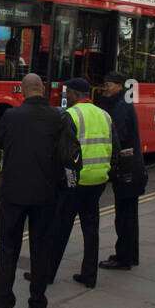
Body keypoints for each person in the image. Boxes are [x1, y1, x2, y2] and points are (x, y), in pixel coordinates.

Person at [0, 74, 78, 308]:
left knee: (8, 249)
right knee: (41, 249)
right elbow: (69, 153)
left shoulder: (11, 116)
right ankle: (37, 307)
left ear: (23, 91)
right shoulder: (59, 117)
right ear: (43, 89)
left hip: (14, 194)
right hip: (46, 195)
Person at [48, 79, 117, 288]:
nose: (66, 96)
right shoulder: (105, 115)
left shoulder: (71, 115)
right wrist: (106, 174)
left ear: (75, 94)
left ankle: (46, 274)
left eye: (68, 93)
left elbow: (64, 154)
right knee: (91, 229)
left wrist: (62, 181)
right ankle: (89, 276)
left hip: (75, 183)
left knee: (60, 229)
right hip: (98, 182)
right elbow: (116, 149)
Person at [100, 71, 145, 272]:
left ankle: (123, 258)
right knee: (130, 214)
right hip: (134, 167)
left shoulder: (119, 107)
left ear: (119, 86)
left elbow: (116, 138)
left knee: (124, 215)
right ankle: (130, 254)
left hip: (126, 169)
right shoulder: (124, 104)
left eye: (109, 85)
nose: (105, 88)